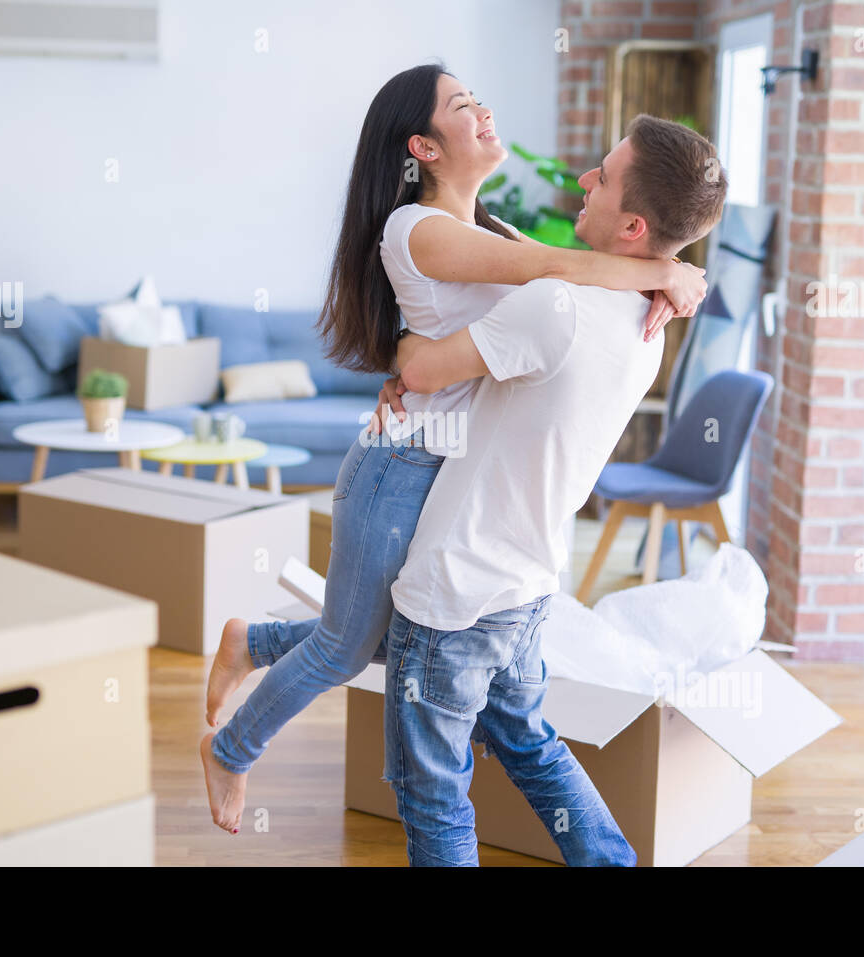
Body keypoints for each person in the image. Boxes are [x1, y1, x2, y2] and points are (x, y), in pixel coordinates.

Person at [200, 63, 708, 836]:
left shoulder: (490, 233)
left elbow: (557, 284)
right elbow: (562, 271)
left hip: (446, 467)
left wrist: (671, 273)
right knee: (346, 645)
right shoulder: (417, 228)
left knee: (377, 636)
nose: (483, 109)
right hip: (401, 464)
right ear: (423, 148)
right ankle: (232, 750)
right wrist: (671, 269)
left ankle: (256, 640)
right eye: (463, 105)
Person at [382, 114, 729, 865]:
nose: (582, 180)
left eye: (601, 177)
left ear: (633, 225)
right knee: (530, 746)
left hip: (457, 586)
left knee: (433, 793)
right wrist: (672, 271)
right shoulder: (649, 315)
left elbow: (419, 371)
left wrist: (406, 345)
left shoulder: (558, 306)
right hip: (529, 583)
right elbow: (532, 255)